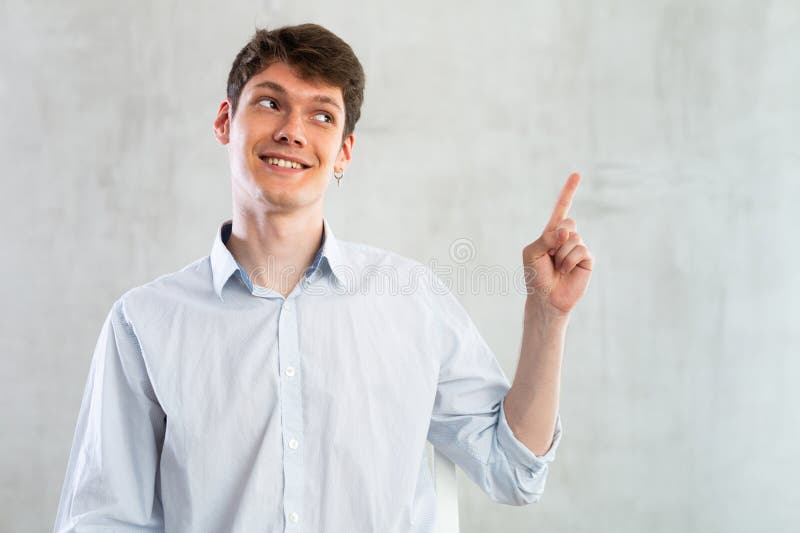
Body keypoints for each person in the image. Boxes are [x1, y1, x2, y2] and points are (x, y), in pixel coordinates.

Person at [53, 23, 594, 533]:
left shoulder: (411, 302)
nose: (291, 131)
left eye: (321, 116)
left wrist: (547, 317)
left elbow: (512, 469)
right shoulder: (144, 322)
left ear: (345, 152)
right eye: (270, 103)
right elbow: (104, 520)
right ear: (225, 120)